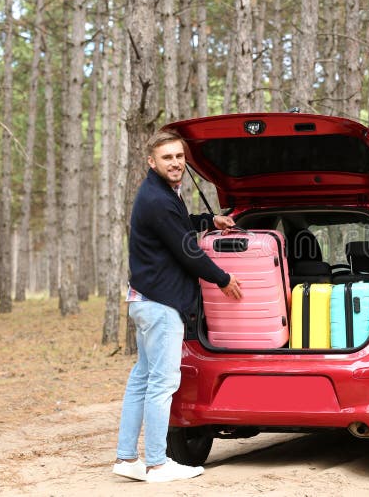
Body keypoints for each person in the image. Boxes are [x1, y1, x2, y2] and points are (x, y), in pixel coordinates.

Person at [113, 128, 243, 483]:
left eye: (179, 157)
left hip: (144, 300)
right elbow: (187, 251)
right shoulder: (158, 199)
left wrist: (208, 221)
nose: (176, 163)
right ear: (151, 161)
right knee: (162, 382)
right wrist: (223, 278)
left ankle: (126, 458)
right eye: (167, 157)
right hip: (161, 305)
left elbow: (178, 229)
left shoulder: (160, 194)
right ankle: (156, 463)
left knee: (141, 379)